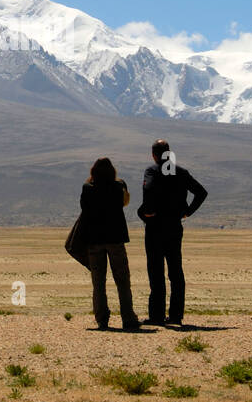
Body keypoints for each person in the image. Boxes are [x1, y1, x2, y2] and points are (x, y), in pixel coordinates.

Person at [137, 139, 207, 326]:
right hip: (174, 227)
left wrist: (148, 209)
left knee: (156, 270)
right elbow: (201, 192)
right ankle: (176, 315)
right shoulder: (181, 172)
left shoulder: (152, 171)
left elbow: (149, 188)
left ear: (153, 154)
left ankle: (157, 316)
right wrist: (187, 212)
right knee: (175, 271)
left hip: (155, 227)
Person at [79, 157, 140, 331]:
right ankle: (128, 319)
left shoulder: (87, 188)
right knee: (122, 281)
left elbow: (84, 208)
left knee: (98, 282)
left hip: (94, 240)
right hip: (115, 239)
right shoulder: (119, 185)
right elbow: (125, 202)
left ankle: (102, 320)